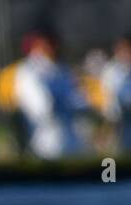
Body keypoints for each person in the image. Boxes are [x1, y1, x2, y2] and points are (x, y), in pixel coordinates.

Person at [14, 29, 88, 159]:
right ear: (39, 44)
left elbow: (81, 102)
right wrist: (65, 104)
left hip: (71, 143)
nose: (53, 49)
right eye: (48, 44)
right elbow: (44, 107)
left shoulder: (62, 70)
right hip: (44, 145)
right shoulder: (28, 72)